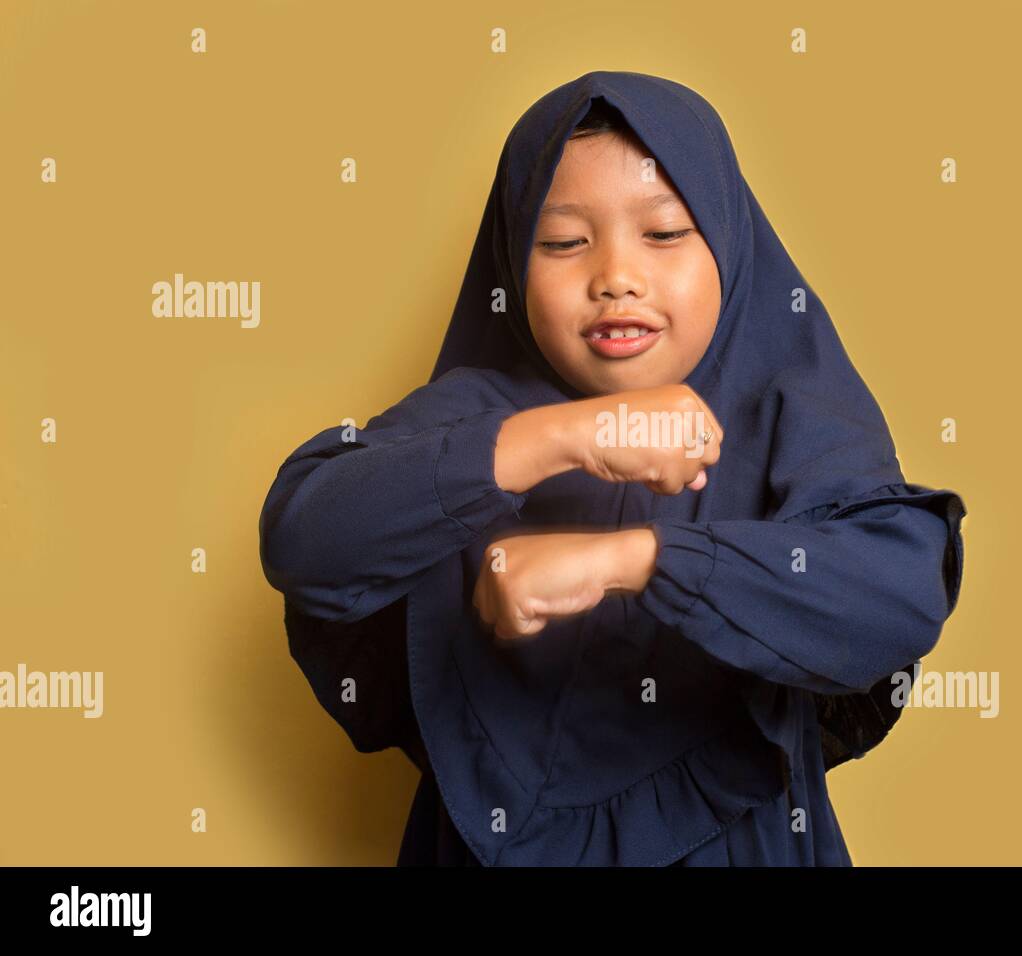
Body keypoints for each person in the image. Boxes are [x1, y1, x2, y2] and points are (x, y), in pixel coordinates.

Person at [258, 70, 968, 866]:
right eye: (564, 242)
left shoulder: (789, 410)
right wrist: (561, 437)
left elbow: (898, 593)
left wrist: (635, 560)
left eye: (663, 233)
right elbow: (305, 538)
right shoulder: (478, 412)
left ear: (728, 243)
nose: (615, 278)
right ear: (511, 260)